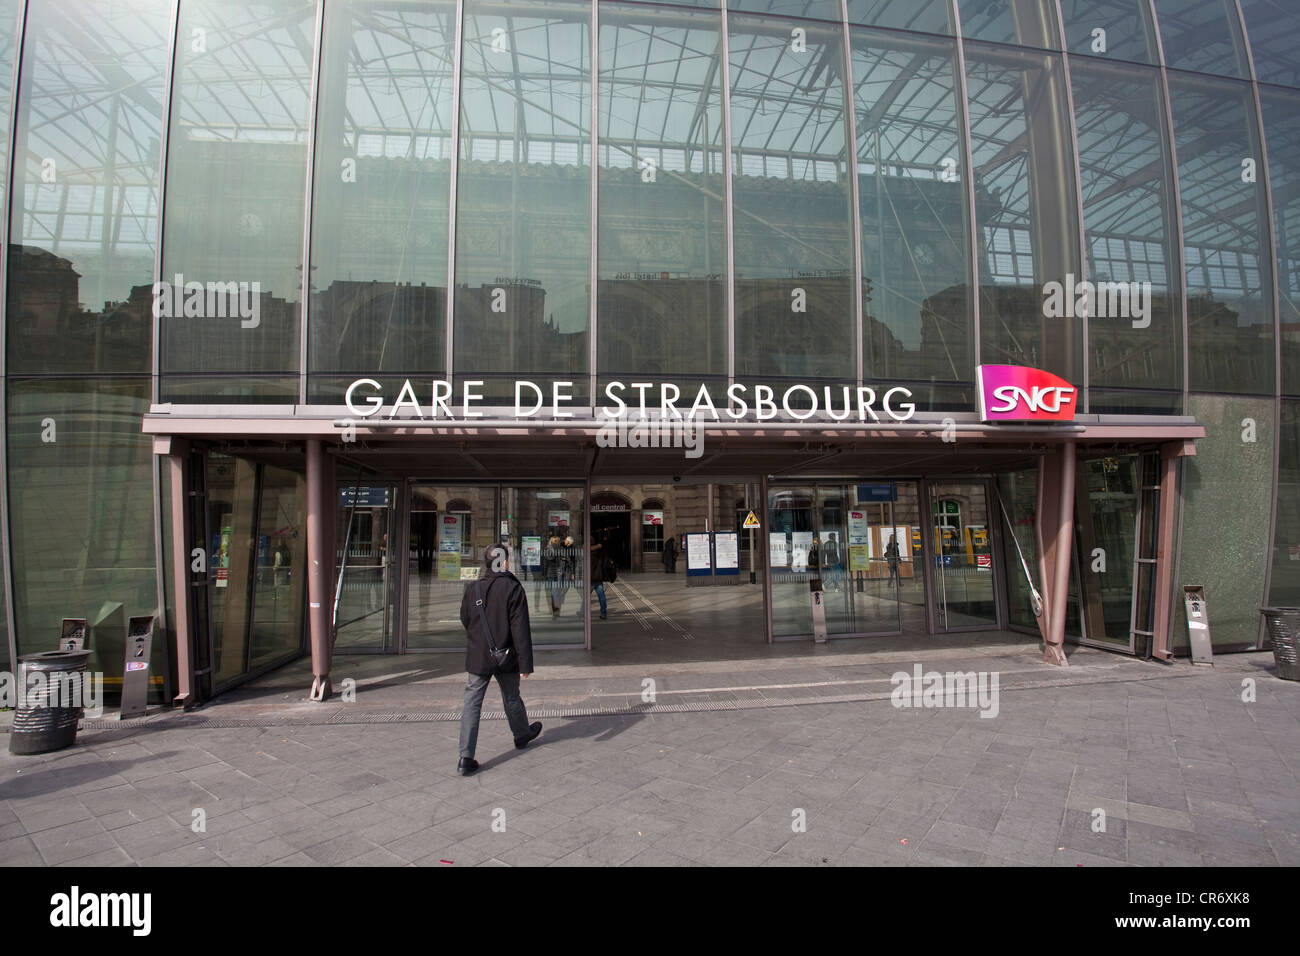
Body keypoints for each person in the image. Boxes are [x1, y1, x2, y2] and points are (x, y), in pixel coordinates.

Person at [456, 545, 542, 776]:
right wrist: (526, 664)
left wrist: (478, 641)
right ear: (504, 563)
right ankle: (521, 734)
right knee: (511, 696)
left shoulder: (472, 588)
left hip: (478, 655)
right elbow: (520, 629)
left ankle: (465, 756)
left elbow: (465, 618)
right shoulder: (513, 588)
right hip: (506, 655)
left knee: (472, 702)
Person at [590, 535, 608, 620]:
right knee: (601, 597)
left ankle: (583, 613)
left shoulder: (587, 553)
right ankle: (603, 613)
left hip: (589, 579)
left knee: (584, 597)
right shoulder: (600, 553)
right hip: (598, 577)